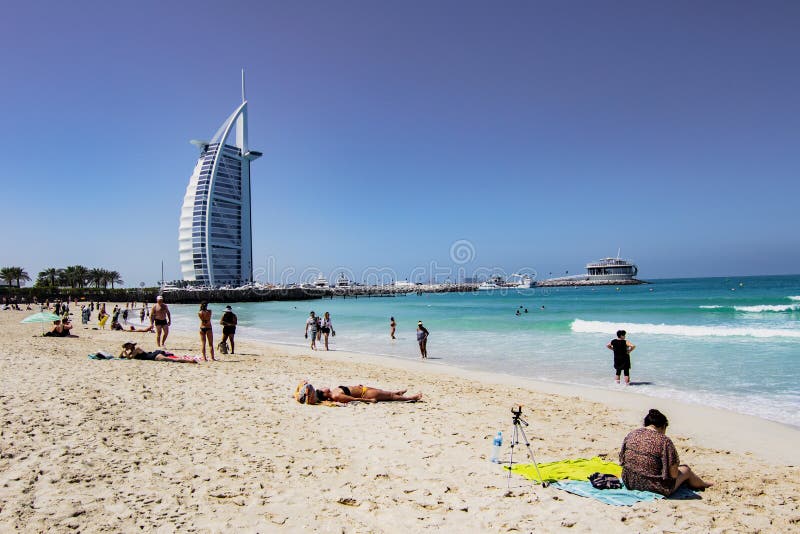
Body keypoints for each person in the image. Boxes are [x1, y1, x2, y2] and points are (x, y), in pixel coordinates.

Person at [619, 409, 713, 496]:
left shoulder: (632, 434)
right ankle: (704, 484)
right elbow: (674, 474)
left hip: (629, 481)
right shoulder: (664, 441)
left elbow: (622, 459)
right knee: (686, 470)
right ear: (663, 426)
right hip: (652, 487)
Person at [295, 381, 422, 404]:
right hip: (365, 394)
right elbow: (353, 399)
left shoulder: (333, 391)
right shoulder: (336, 395)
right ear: (324, 394)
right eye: (322, 389)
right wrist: (369, 400)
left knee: (385, 392)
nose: (323, 387)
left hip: (364, 389)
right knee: (390, 397)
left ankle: (398, 392)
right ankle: (411, 398)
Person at [118, 341, 198, 363]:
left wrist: (125, 352)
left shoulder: (137, 349)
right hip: (152, 356)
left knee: (173, 360)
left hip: (153, 356)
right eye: (126, 346)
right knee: (172, 359)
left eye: (127, 345)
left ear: (131, 345)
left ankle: (189, 361)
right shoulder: (131, 352)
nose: (126, 347)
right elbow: (120, 357)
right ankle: (188, 360)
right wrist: (122, 352)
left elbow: (129, 358)